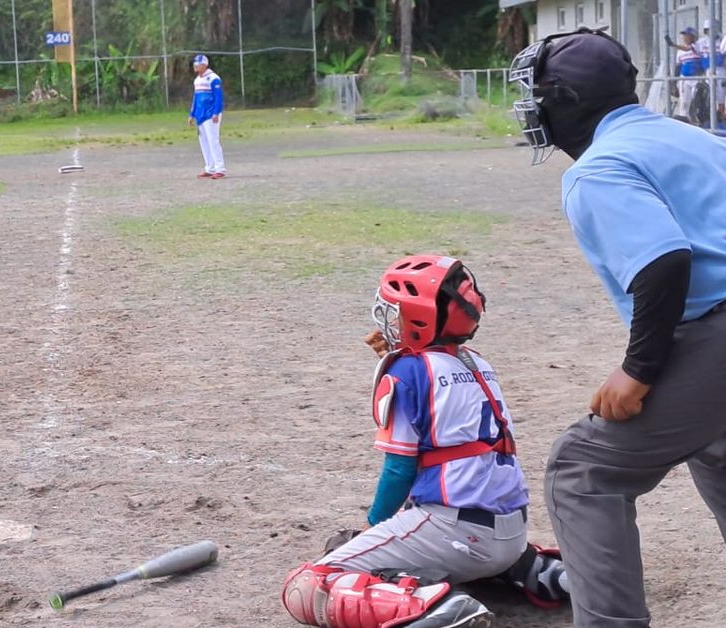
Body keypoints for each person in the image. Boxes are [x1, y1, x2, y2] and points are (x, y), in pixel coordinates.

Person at [511, 28, 726, 627]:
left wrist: (638, 370)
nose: (532, 108)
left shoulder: (599, 168)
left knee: (583, 470)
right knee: (715, 447)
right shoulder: (695, 137)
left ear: (568, 102)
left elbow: (665, 261)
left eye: (539, 95)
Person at [280, 255, 569, 628]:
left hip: (457, 533)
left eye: (396, 312)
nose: (389, 319)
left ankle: (439, 609)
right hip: (511, 536)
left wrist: (374, 526)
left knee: (311, 583)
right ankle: (543, 573)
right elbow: (437, 393)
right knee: (427, 534)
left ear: (419, 320)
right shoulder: (477, 363)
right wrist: (401, 359)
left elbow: (399, 469)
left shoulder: (407, 372)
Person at [187, 54, 225, 179]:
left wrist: (216, 113)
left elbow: (218, 97)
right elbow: (196, 98)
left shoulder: (214, 78)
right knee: (204, 142)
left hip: (210, 114)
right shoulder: (197, 80)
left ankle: (220, 168)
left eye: (198, 64)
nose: (195, 66)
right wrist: (192, 114)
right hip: (200, 114)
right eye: (195, 63)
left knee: (213, 140)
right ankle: (210, 167)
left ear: (204, 65)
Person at [664, 27, 703, 122]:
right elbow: (678, 67)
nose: (685, 38)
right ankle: (683, 120)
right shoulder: (680, 52)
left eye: (687, 35)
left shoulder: (697, 46)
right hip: (684, 78)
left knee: (696, 100)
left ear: (693, 36)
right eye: (684, 36)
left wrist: (673, 44)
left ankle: (697, 121)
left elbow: (687, 49)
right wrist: (674, 83)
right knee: (684, 102)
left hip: (696, 78)